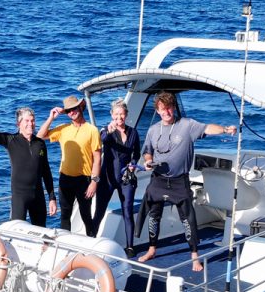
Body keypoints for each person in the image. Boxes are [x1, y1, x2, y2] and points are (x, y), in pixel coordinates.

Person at [138, 91, 237, 272]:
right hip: (158, 179)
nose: (166, 112)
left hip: (179, 181)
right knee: (153, 216)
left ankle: (194, 257)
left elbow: (207, 128)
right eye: (162, 109)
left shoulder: (187, 125)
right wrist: (147, 160)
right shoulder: (153, 130)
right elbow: (147, 150)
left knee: (188, 220)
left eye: (169, 108)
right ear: (158, 111)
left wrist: (224, 129)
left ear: (173, 108)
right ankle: (152, 249)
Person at [0, 86, 57, 225]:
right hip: (20, 197)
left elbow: (46, 172)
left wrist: (52, 198)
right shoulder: (11, 141)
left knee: (41, 232)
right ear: (18, 124)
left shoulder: (40, 144)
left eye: (32, 120)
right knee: (17, 232)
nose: (30, 124)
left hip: (38, 196)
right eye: (26, 121)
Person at [39, 95, 101, 234]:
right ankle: (65, 247)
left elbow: (97, 159)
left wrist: (94, 182)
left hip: (84, 180)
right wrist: (52, 117)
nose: (71, 112)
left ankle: (91, 248)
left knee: (86, 216)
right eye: (68, 111)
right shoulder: (63, 129)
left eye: (73, 108)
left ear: (80, 107)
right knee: (65, 215)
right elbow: (40, 136)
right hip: (65, 179)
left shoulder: (92, 130)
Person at [90, 99, 141, 251]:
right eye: (116, 114)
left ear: (126, 115)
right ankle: (90, 241)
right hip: (107, 178)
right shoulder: (107, 130)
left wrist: (133, 163)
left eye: (122, 114)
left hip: (126, 178)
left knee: (127, 211)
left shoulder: (133, 132)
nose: (119, 118)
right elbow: (101, 141)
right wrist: (109, 131)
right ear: (112, 114)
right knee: (99, 211)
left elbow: (136, 153)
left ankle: (130, 247)